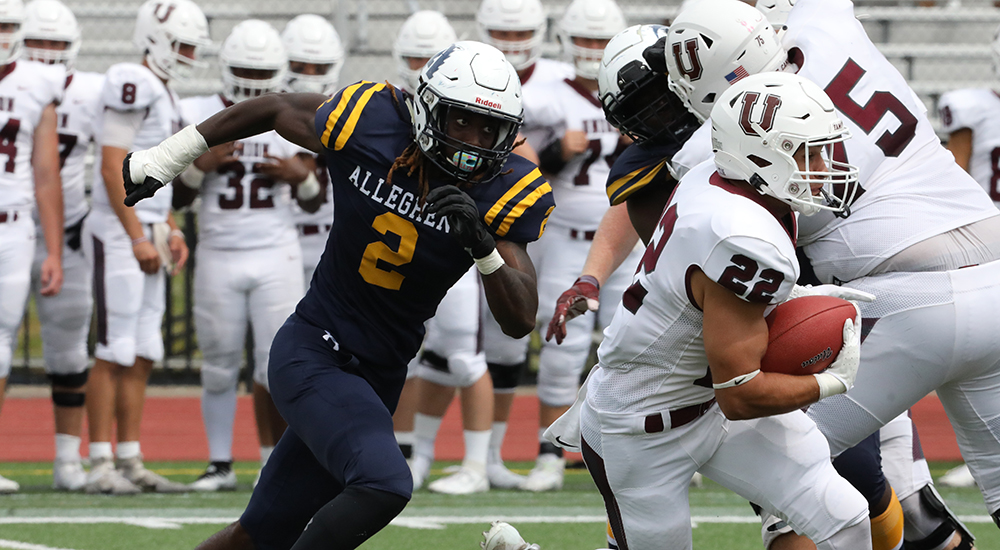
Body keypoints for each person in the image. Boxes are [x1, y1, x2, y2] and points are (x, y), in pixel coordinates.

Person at [123, 40, 553, 549]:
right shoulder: (372, 122)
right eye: (461, 121)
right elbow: (274, 107)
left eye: (490, 129)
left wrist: (483, 248)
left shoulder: (501, 190)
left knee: (259, 534)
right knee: (384, 484)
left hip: (379, 376)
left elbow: (521, 318)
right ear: (427, 107)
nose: (474, 141)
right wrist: (167, 157)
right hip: (314, 350)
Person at [660, 0, 1000, 546]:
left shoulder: (713, 146)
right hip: (994, 266)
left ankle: (914, 525)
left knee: (776, 465)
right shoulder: (826, 22)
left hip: (903, 297)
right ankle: (922, 528)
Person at [577, 70, 872, 550]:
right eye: (807, 153)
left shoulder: (718, 177)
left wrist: (794, 299)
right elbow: (740, 394)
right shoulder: (739, 234)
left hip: (706, 402)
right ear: (758, 155)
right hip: (642, 423)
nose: (823, 165)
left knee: (846, 518)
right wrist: (832, 381)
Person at [175, 19, 321, 492]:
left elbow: (316, 200)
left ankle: (269, 465)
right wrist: (200, 169)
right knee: (217, 364)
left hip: (275, 251)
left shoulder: (293, 115)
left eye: (262, 72)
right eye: (244, 70)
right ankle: (219, 463)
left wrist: (301, 178)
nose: (253, 82)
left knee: (273, 365)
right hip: (218, 250)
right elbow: (175, 198)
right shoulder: (197, 112)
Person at [80, 0, 207, 495]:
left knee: (144, 351)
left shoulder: (163, 89)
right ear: (155, 37)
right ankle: (99, 464)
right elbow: (114, 166)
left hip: (147, 226)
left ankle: (129, 458)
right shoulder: (131, 81)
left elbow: (152, 174)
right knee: (113, 350)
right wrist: (136, 234)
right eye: (183, 45)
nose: (189, 55)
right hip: (120, 231)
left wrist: (169, 227)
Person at [387, 10, 498, 496]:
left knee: (465, 357)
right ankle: (410, 454)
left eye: (426, 61)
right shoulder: (384, 116)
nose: (417, 69)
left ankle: (476, 463)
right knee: (409, 360)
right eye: (412, 59)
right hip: (400, 250)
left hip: (451, 252)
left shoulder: (472, 116)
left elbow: (514, 157)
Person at [474, 0, 571, 489]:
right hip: (481, 218)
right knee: (489, 344)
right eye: (500, 32)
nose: (512, 43)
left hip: (545, 225)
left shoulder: (561, 82)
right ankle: (487, 455)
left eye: (521, 32)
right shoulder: (470, 71)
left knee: (542, 338)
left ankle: (539, 453)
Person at [22, 0, 104, 492]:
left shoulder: (93, 92)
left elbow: (116, 152)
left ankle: (67, 461)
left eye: (56, 43)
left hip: (68, 231)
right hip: (12, 229)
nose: (48, 53)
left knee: (70, 351)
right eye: (39, 42)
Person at [0, 0, 65, 495]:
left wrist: (55, 250)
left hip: (13, 228)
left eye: (8, 26)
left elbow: (46, 175)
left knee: (0, 346)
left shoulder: (37, 84)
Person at [281, 14, 345, 288]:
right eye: (299, 66)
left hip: (331, 239)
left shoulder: (348, 113)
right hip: (281, 240)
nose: (308, 76)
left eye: (318, 68)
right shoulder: (270, 113)